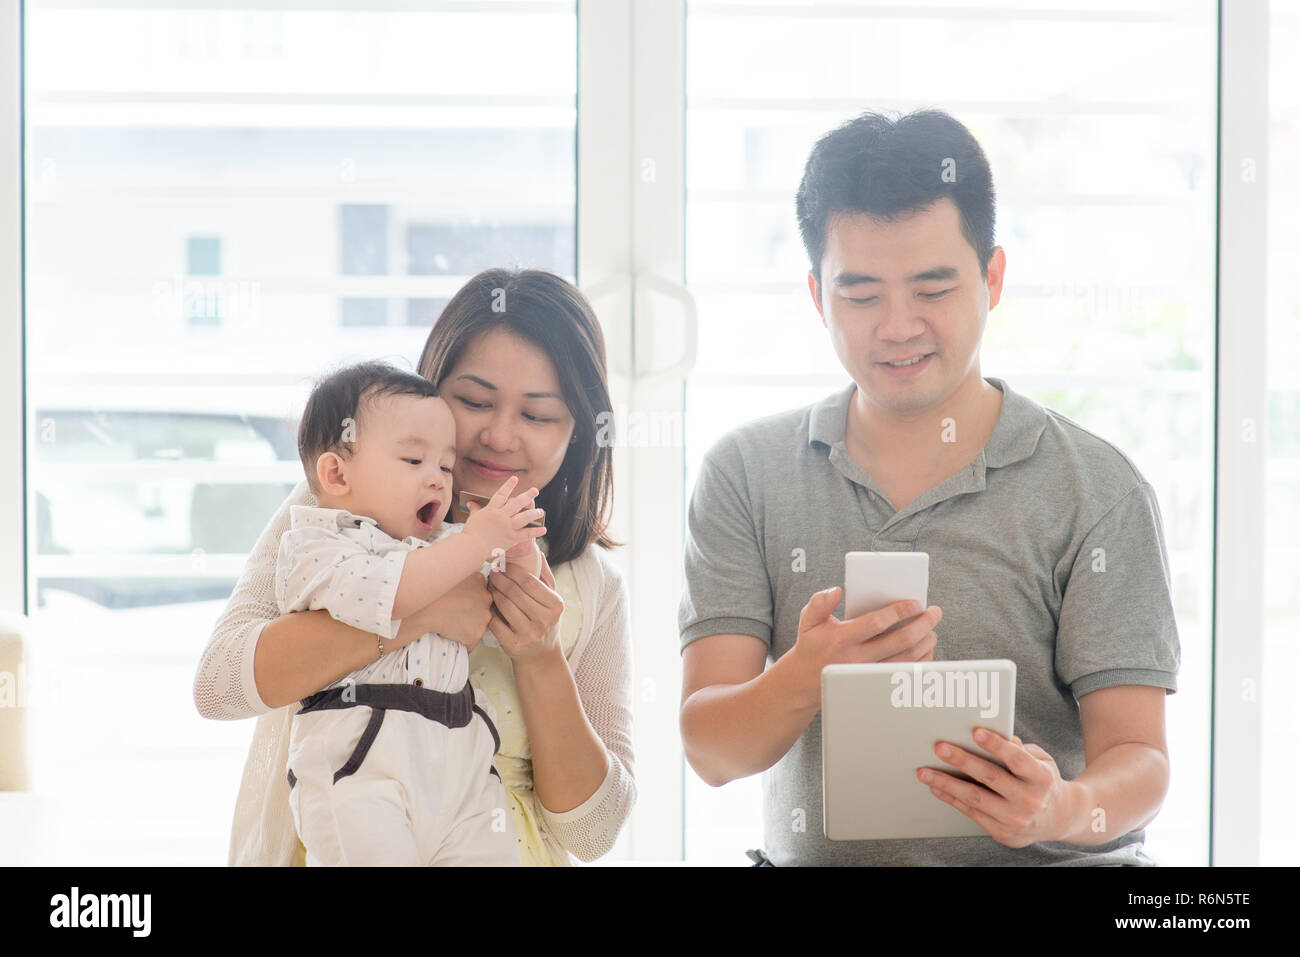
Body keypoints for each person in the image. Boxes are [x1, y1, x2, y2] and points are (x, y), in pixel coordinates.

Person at [678, 109, 1180, 866]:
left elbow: (1140, 759)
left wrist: (1062, 805)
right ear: (818, 296)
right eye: (861, 294)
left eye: (933, 288)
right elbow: (711, 750)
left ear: (993, 278)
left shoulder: (1095, 488)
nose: (898, 326)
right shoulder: (745, 474)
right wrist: (805, 675)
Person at [194, 268, 635, 867]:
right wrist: (415, 609)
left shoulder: (590, 583)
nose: (499, 435)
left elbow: (594, 834)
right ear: (429, 393)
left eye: (538, 416)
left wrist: (539, 656)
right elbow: (219, 686)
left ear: (579, 433)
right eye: (475, 402)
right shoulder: (335, 509)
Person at [278, 361, 546, 866]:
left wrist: (518, 545)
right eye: (412, 460)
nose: (438, 481)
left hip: (460, 766)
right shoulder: (319, 544)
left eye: (445, 467)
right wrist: (477, 541)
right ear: (337, 473)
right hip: (361, 763)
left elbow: (518, 590)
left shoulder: (447, 541)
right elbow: (392, 597)